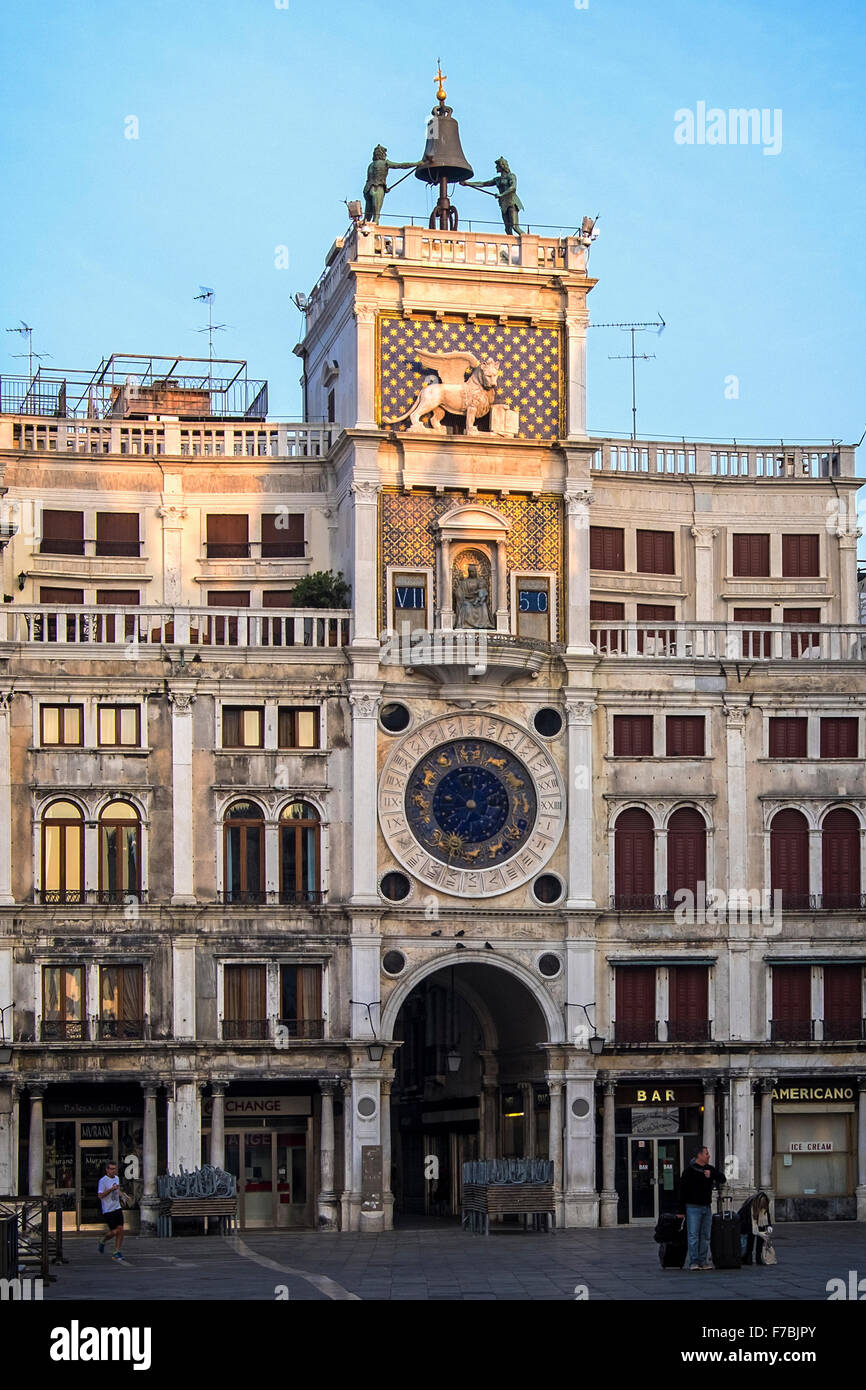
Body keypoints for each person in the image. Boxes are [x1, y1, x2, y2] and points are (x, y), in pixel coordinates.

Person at [677, 1145, 726, 1270]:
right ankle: (694, 1262)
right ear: (699, 1155)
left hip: (706, 1207)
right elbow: (682, 1191)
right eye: (706, 1153)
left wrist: (712, 1174)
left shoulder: (709, 1169)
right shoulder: (688, 1171)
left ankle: (703, 1261)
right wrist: (681, 1211)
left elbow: (722, 1178)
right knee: (693, 1235)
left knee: (705, 1235)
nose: (709, 1156)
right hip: (693, 1207)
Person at [97, 1160, 127, 1263]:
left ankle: (116, 1251)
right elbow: (100, 1195)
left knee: (121, 1230)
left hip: (117, 1207)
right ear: (107, 1170)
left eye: (115, 1169)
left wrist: (123, 1195)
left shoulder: (117, 1178)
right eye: (111, 1169)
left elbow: (117, 1190)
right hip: (108, 1209)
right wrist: (111, 1189)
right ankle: (103, 1240)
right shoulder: (103, 1181)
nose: (113, 1171)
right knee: (114, 1231)